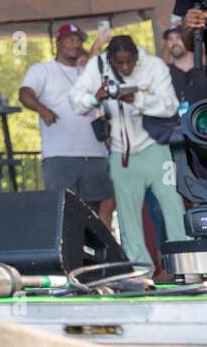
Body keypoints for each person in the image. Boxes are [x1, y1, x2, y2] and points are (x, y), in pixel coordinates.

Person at [68, 35, 187, 270]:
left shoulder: (154, 66)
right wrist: (95, 98)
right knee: (127, 213)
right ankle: (141, 270)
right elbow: (75, 101)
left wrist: (138, 99)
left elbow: (170, 106)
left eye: (129, 62)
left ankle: (185, 263)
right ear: (110, 59)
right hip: (120, 151)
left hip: (155, 146)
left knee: (172, 202)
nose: (124, 67)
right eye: (119, 63)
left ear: (136, 57)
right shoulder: (98, 66)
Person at [18, 23, 114, 227]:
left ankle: (103, 255)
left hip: (95, 153)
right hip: (60, 154)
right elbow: (24, 94)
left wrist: (94, 46)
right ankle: (70, 257)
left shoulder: (87, 71)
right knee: (64, 209)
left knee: (103, 204)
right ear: (58, 42)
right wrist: (42, 109)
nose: (75, 44)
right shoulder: (43, 70)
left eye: (78, 40)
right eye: (70, 39)